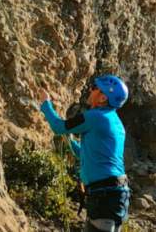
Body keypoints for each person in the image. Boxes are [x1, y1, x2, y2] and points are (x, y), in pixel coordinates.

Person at [39, 75, 131, 232]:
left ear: (103, 97)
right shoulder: (115, 122)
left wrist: (45, 103)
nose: (90, 89)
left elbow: (58, 126)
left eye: (95, 88)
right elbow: (84, 154)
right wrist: (69, 141)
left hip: (105, 196)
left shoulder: (95, 117)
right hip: (113, 194)